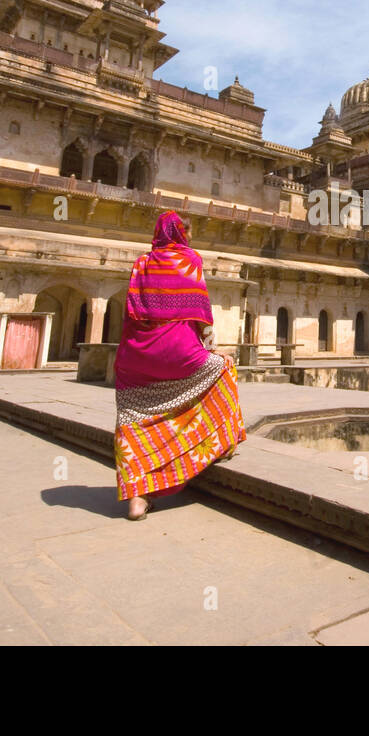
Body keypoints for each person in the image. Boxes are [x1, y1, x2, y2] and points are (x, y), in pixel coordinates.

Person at [113, 210, 246, 520]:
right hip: (180, 355)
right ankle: (219, 444)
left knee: (131, 418)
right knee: (225, 370)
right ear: (182, 234)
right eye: (189, 232)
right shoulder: (190, 261)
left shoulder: (141, 264)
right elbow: (202, 316)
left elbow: (132, 314)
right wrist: (213, 350)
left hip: (135, 357)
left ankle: (136, 499)